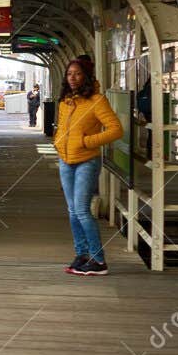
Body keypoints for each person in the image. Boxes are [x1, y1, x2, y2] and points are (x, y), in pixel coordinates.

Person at [53, 56, 123, 276]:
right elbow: (62, 127)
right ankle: (82, 255)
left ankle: (98, 260)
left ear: (86, 76)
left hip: (87, 161)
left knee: (82, 210)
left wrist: (87, 141)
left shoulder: (97, 100)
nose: (72, 78)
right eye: (69, 74)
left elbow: (116, 129)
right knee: (72, 211)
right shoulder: (65, 101)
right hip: (66, 160)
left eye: (77, 74)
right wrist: (58, 142)